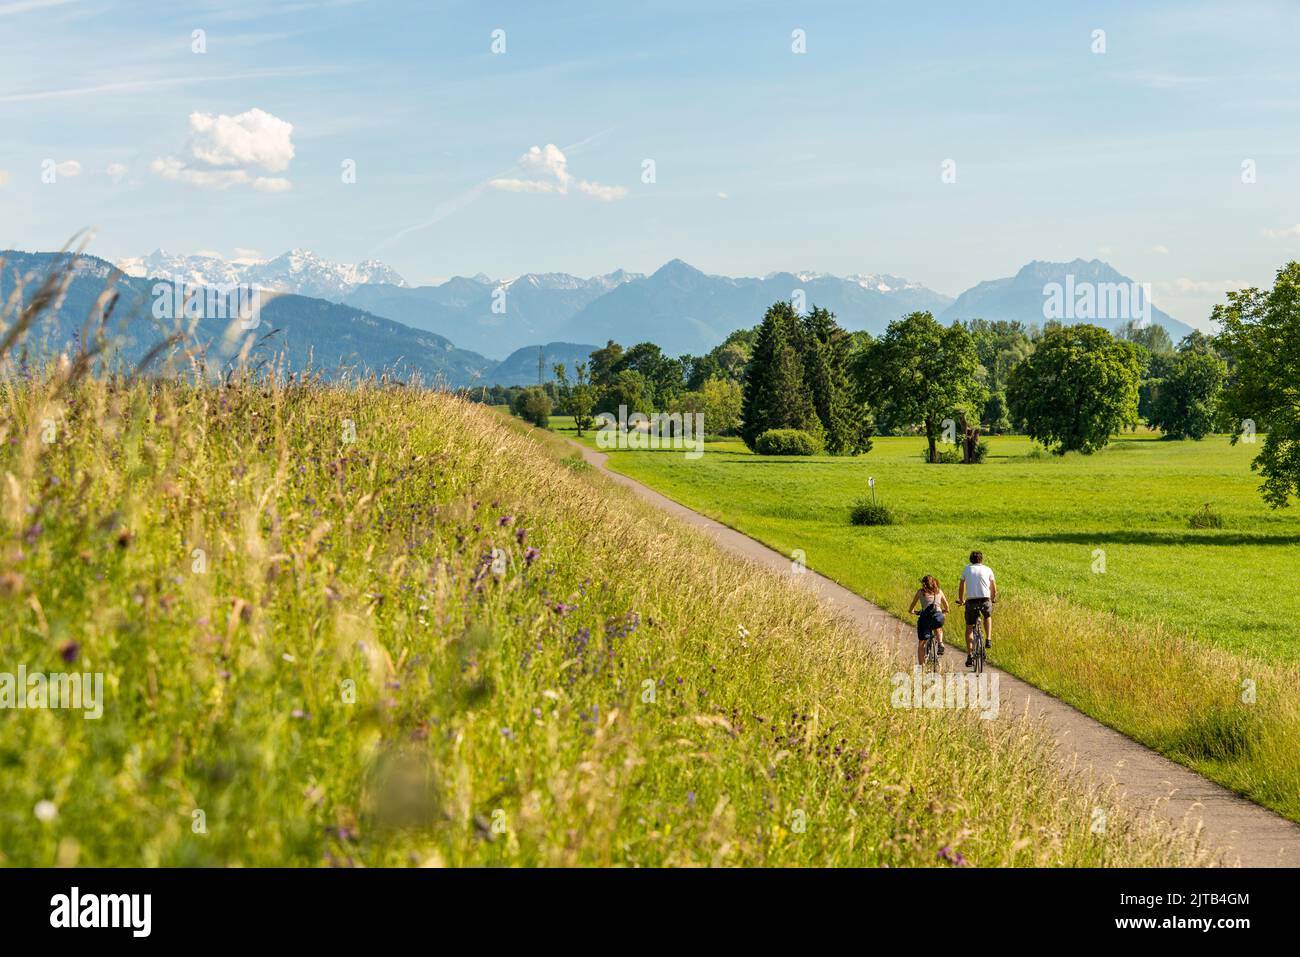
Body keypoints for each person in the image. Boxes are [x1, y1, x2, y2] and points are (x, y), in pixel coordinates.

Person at [956, 550, 996, 668]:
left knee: (969, 628)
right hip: (985, 599)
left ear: (971, 560)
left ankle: (969, 656)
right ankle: (988, 639)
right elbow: (993, 586)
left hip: (971, 600)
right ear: (981, 559)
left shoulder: (967, 569)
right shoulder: (988, 569)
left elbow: (962, 585)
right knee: (987, 616)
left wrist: (961, 599)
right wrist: (992, 598)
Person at [908, 575, 949, 665]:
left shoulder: (920, 592)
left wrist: (912, 611)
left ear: (923, 584)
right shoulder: (939, 592)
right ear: (934, 582)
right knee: (938, 625)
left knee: (921, 643)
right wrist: (944, 611)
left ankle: (921, 668)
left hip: (925, 619)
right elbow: (947, 607)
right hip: (938, 617)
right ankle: (940, 643)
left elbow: (911, 607)